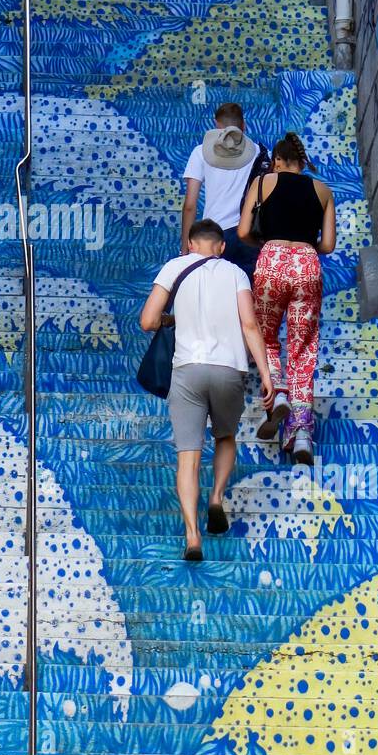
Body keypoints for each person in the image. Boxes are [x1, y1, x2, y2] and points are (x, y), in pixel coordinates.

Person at [140, 219, 275, 561]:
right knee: (225, 436)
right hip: (229, 369)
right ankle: (216, 496)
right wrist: (267, 374)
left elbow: (147, 321)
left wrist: (170, 321)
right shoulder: (235, 274)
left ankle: (192, 535)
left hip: (187, 370)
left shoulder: (174, 267)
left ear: (190, 244)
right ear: (221, 246)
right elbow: (249, 324)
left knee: (188, 456)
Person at [238, 132, 336, 467]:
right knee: (303, 348)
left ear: (277, 162)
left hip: (272, 261)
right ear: (300, 161)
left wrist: (263, 244)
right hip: (307, 264)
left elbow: (241, 232)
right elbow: (328, 246)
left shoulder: (264, 182)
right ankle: (302, 435)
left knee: (265, 337)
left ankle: (277, 390)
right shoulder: (323, 190)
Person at [181, 102, 270, 283]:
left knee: (212, 299)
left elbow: (190, 206)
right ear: (243, 125)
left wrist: (185, 248)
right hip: (247, 235)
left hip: (211, 236)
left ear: (216, 124)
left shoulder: (200, 153)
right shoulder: (260, 152)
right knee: (245, 300)